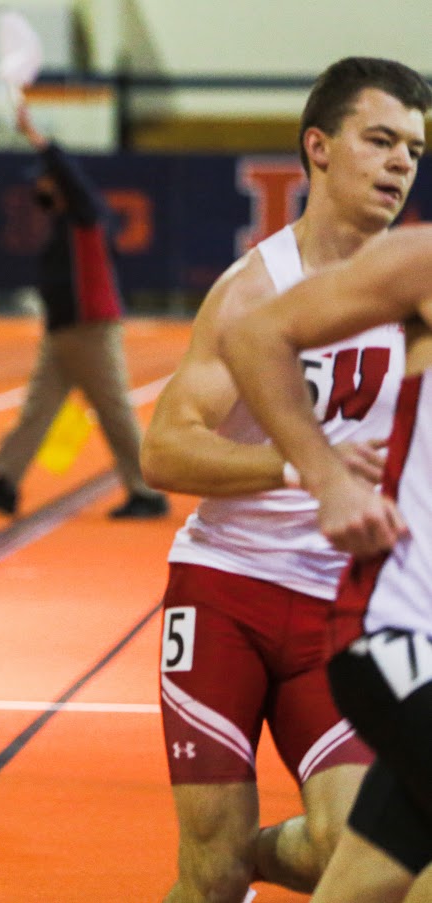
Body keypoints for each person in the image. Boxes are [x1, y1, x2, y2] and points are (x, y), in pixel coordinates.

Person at [139, 57, 429, 903]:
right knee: (211, 870)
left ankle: (245, 854)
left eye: (413, 149)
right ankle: (225, 862)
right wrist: (305, 467)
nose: (399, 164)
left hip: (346, 605)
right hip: (228, 590)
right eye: (379, 140)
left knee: (355, 848)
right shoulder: (252, 292)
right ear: (318, 149)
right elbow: (163, 452)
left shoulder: (410, 285)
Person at [220, 222, 432, 903]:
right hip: (398, 627)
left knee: (368, 879)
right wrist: (326, 478)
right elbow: (253, 335)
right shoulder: (421, 258)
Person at [0, 99, 169, 519]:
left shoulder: (84, 217)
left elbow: (72, 181)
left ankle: (147, 490)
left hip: (90, 328)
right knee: (40, 407)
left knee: (113, 410)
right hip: (64, 332)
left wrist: (37, 138)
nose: (40, 189)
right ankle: (5, 481)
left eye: (46, 183)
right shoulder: (64, 225)